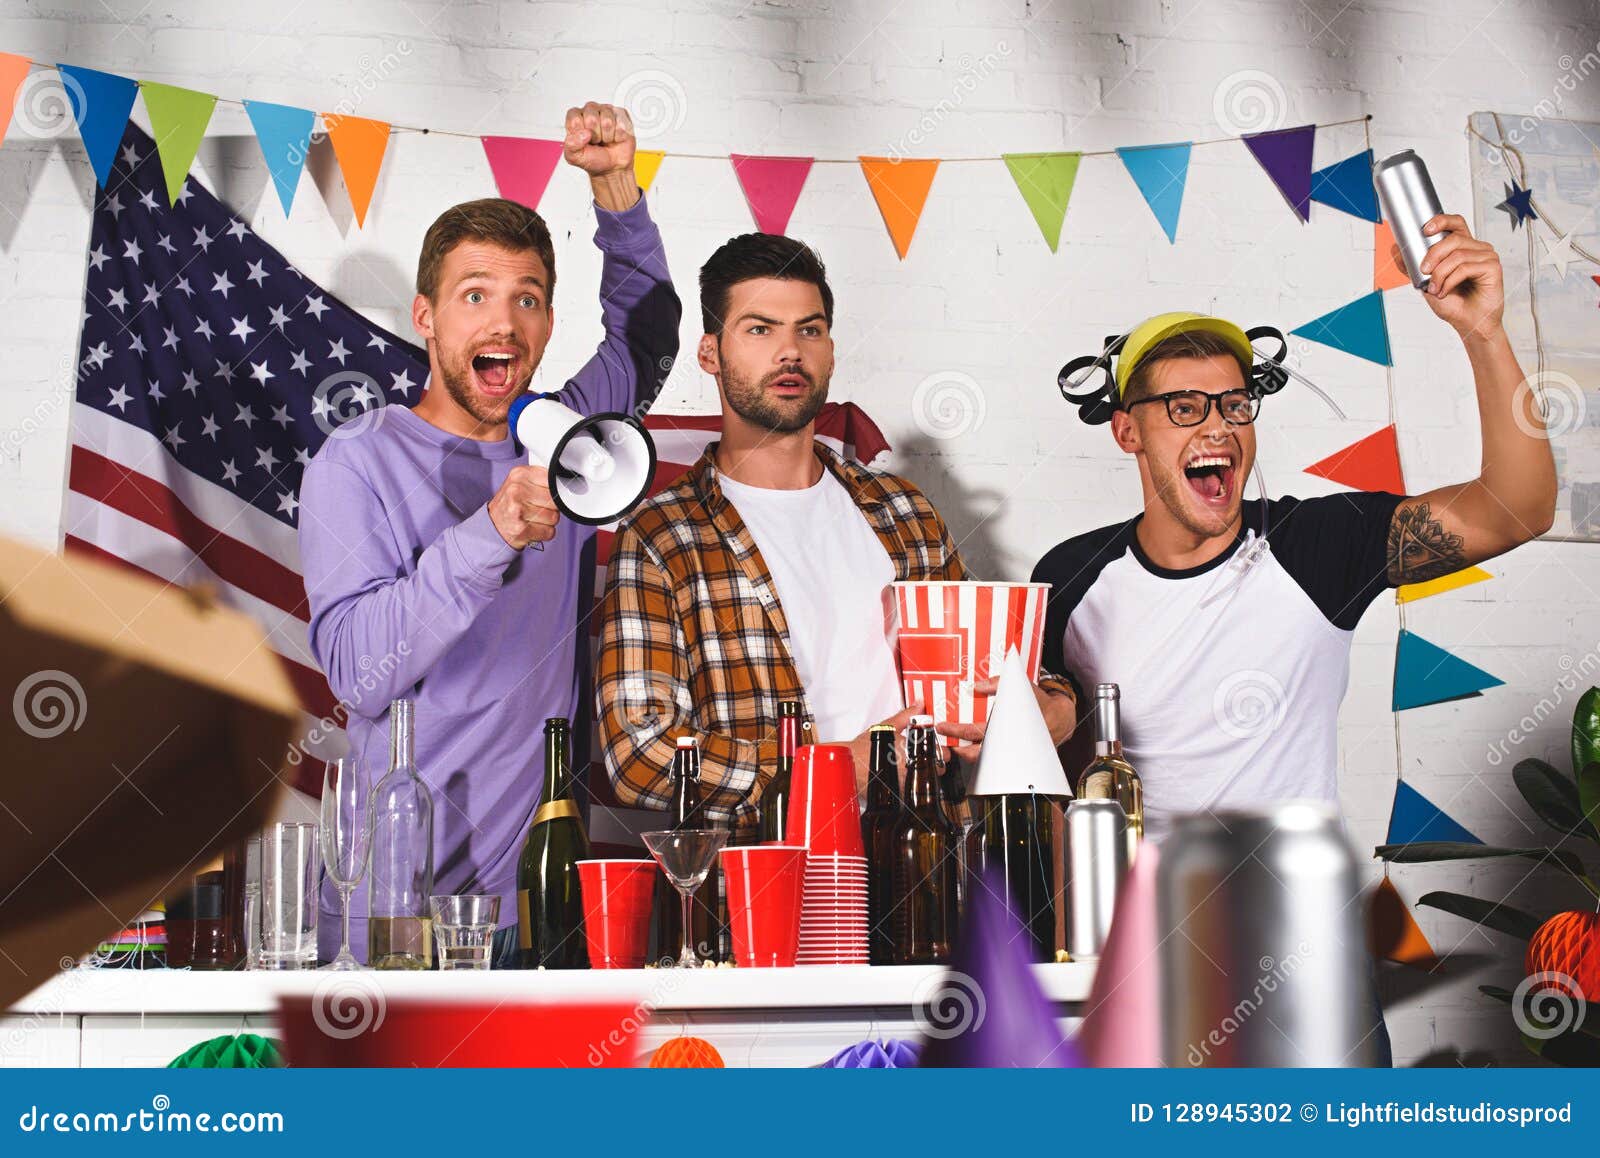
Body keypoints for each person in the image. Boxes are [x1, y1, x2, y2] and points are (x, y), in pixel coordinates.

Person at [298, 101, 681, 968]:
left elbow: (648, 333)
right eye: (475, 296)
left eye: (527, 300)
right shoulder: (357, 462)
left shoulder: (570, 438)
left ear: (546, 325)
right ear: (426, 317)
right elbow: (359, 670)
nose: (503, 323)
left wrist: (615, 186)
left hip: (541, 902)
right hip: (397, 916)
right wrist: (493, 532)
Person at [1032, 214, 1554, 842]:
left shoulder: (1318, 544)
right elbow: (1049, 765)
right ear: (1127, 431)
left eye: (1234, 404)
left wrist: (1483, 332)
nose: (1219, 425)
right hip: (1130, 902)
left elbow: (1518, 509)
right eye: (1185, 407)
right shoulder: (1069, 576)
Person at [596, 232, 1075, 838]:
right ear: (710, 353)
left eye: (810, 330)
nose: (790, 352)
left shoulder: (903, 512)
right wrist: (840, 767)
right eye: (760, 329)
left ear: (829, 350)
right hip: (770, 867)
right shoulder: (663, 536)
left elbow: (989, 665)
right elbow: (640, 754)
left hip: (926, 854)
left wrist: (1053, 705)